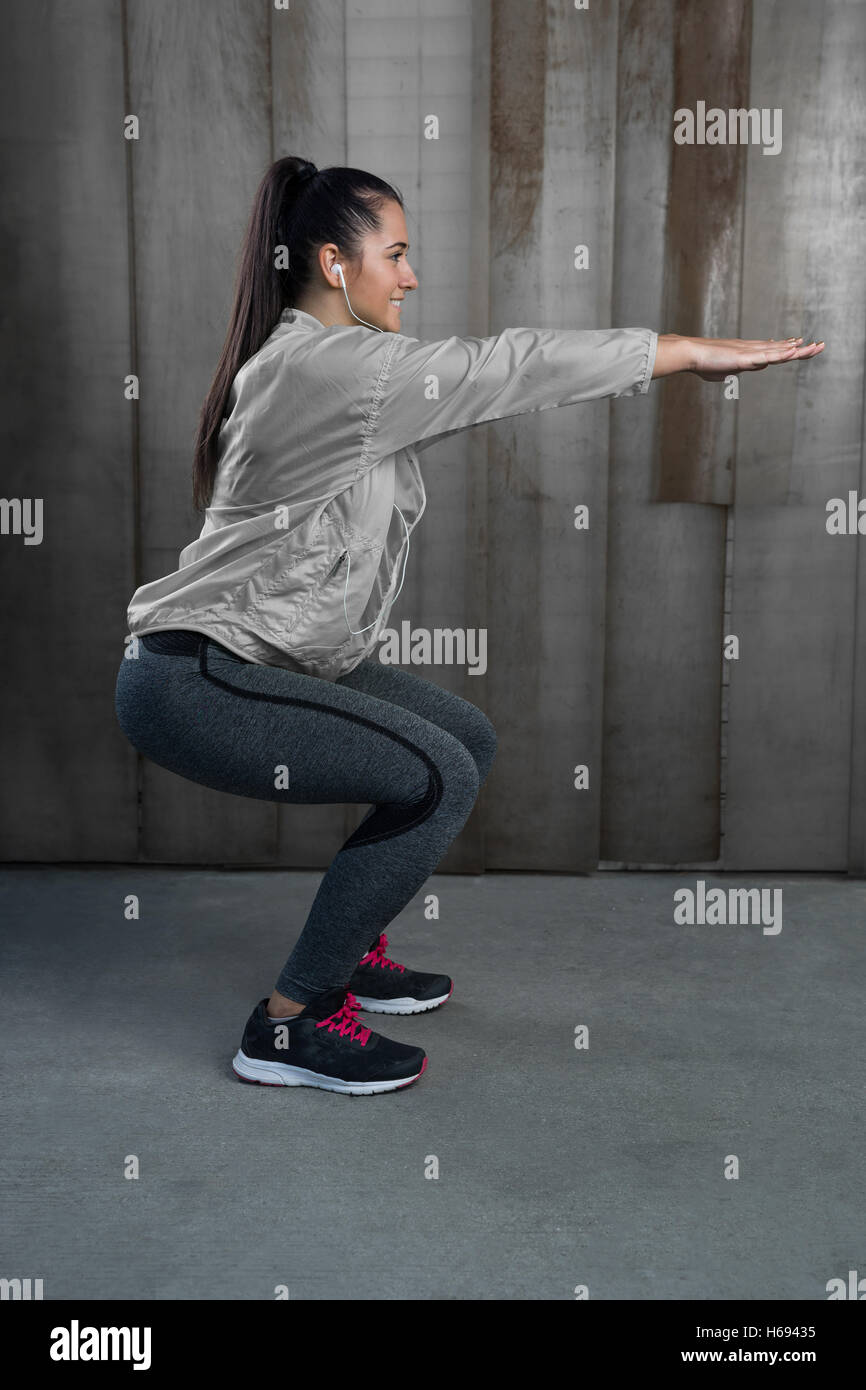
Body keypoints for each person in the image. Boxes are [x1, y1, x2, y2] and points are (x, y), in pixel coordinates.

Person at [113, 156, 825, 1097]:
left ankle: (351, 949)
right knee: (433, 772)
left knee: (464, 738)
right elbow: (510, 367)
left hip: (260, 657)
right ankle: (288, 1023)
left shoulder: (329, 367)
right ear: (334, 263)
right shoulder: (330, 370)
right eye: (396, 255)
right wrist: (685, 353)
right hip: (193, 678)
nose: (411, 276)